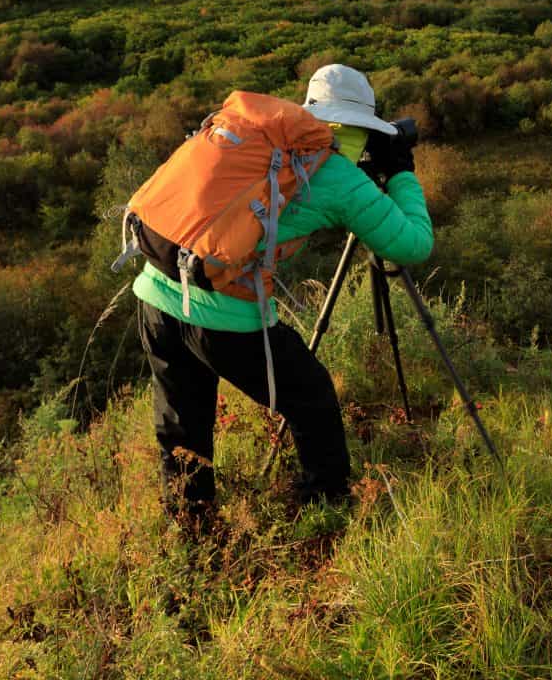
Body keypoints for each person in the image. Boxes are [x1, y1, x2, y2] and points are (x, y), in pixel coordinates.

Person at [132, 64, 433, 521]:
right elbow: (413, 244)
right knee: (311, 400)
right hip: (222, 315)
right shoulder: (338, 177)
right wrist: (401, 173)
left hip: (157, 287)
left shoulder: (262, 141)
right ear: (361, 129)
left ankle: (191, 534)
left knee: (182, 426)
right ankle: (324, 511)